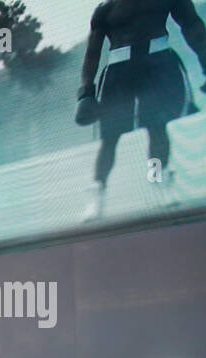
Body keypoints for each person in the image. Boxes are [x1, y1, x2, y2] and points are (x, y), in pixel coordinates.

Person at [76, 0, 206, 220]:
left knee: (156, 126)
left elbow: (192, 26)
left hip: (158, 63)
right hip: (119, 71)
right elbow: (92, 52)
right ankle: (98, 191)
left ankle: (160, 181)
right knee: (110, 136)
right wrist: (86, 93)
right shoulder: (105, 9)